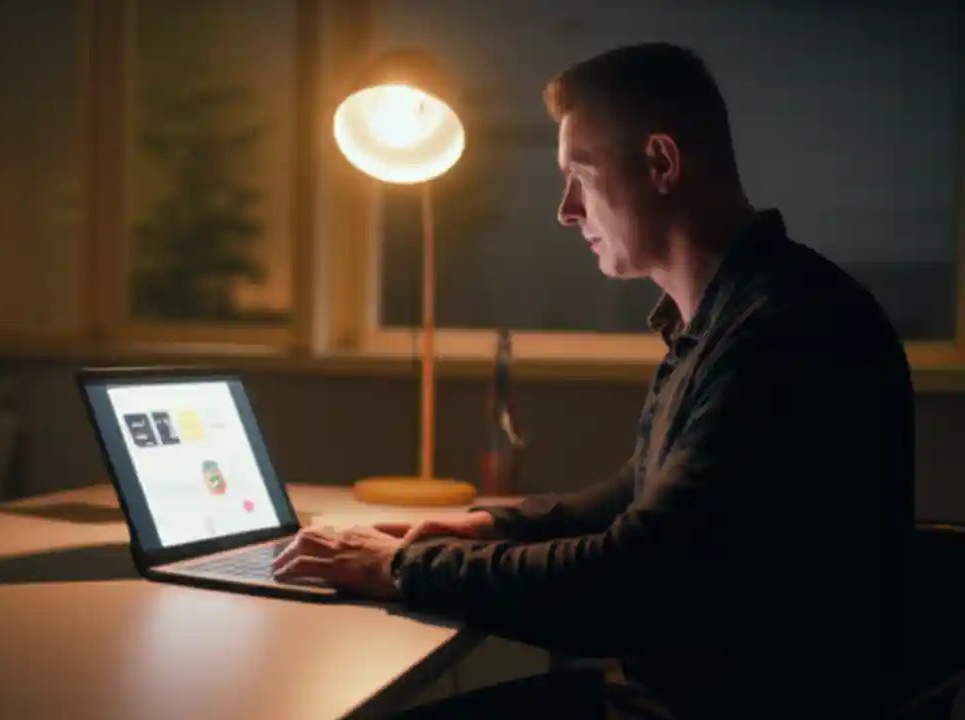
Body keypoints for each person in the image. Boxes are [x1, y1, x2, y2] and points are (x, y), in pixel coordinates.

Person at [272, 42, 914, 719]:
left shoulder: (785, 331)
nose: (566, 211)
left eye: (580, 174)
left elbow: (629, 583)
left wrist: (399, 569)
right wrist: (480, 526)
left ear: (661, 163)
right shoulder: (728, 315)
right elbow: (631, 497)